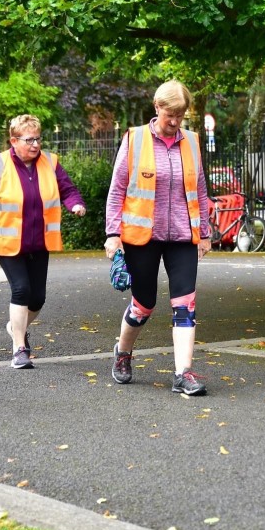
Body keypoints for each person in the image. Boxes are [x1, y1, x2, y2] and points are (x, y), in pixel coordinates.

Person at [104, 80, 212, 396]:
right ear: (157, 107)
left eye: (181, 115)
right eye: (170, 115)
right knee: (143, 305)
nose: (176, 122)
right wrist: (113, 234)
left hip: (182, 236)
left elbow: (201, 188)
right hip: (142, 237)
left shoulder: (191, 141)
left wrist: (204, 233)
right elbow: (117, 190)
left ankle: (183, 373)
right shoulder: (135, 139)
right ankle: (123, 352)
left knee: (185, 305)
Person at [0, 115, 86, 369]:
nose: (36, 144)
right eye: (29, 140)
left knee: (37, 298)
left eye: (38, 138)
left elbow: (68, 189)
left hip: (40, 241)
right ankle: (19, 348)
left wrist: (75, 204)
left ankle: (16, 326)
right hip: (8, 242)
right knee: (22, 290)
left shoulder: (50, 162)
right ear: (13, 141)